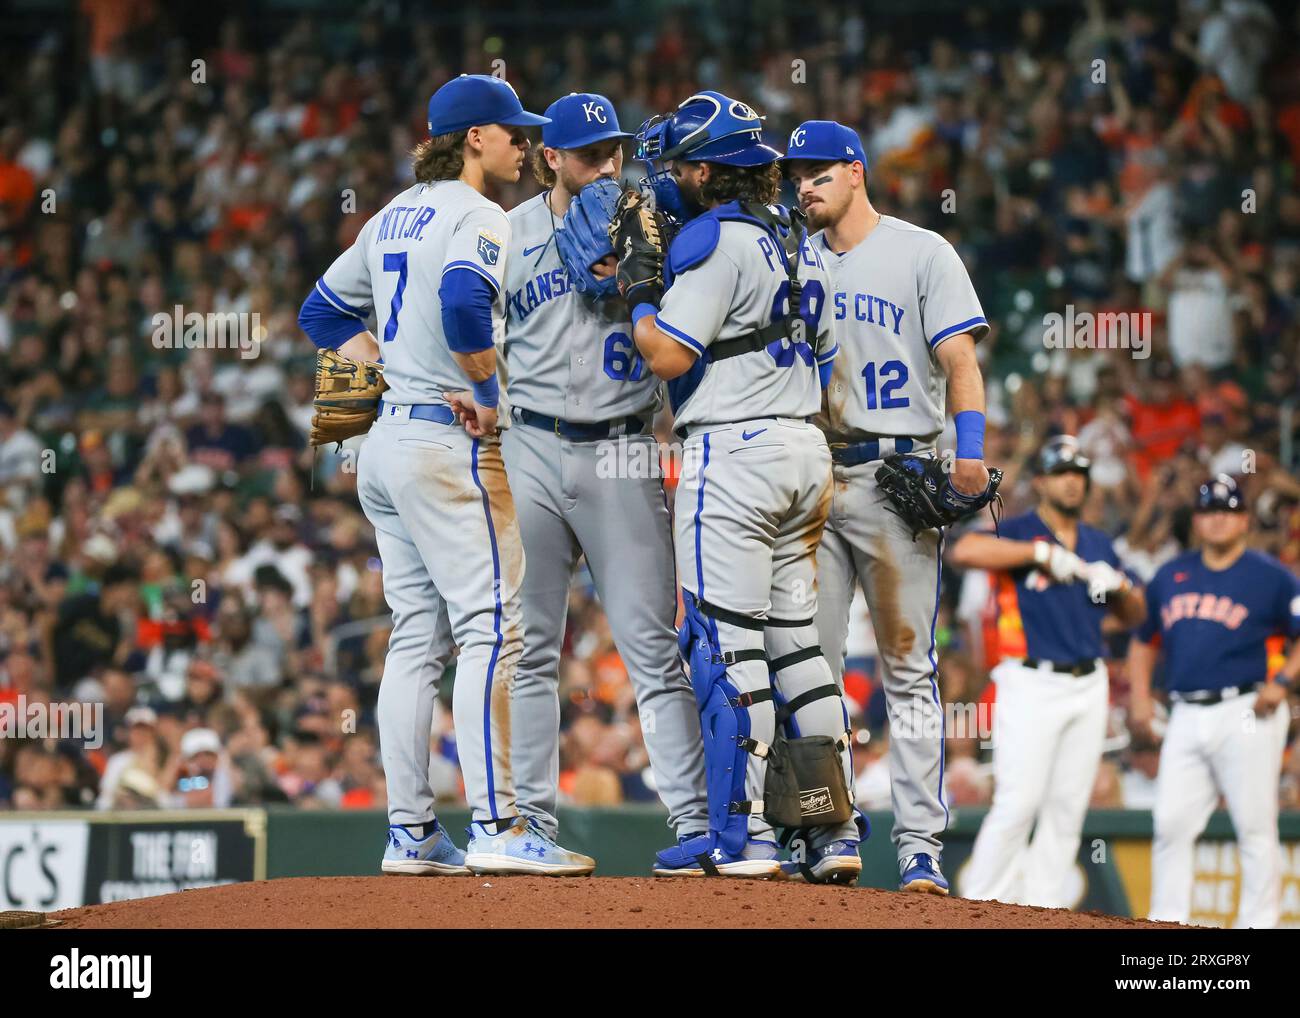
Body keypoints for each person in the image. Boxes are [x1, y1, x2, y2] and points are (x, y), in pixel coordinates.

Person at [297, 74, 593, 876]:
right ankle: (498, 827)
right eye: (512, 132)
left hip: (387, 447)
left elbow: (320, 314)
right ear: (473, 139)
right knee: (492, 630)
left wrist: (389, 378)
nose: (525, 145)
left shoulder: (391, 212)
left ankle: (411, 835)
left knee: (414, 643)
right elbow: (466, 305)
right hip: (448, 448)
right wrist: (489, 394)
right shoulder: (479, 213)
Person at [619, 92, 861, 882]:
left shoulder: (713, 238)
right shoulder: (799, 235)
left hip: (735, 452)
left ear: (708, 170)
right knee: (801, 650)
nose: (672, 175)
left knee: (726, 649)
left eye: (684, 162)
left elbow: (666, 356)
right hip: (803, 448)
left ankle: (744, 833)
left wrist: (637, 289)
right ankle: (833, 831)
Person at [783, 120, 992, 894]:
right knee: (813, 669)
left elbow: (960, 361)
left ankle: (920, 846)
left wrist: (968, 450)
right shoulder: (788, 255)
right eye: (794, 175)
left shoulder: (921, 251)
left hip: (894, 476)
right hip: (807, 477)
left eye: (816, 172)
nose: (803, 185)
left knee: (908, 669)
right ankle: (830, 830)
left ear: (854, 169)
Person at [500, 92, 709, 854]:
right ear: (549, 158)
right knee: (528, 646)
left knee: (652, 645)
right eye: (591, 155)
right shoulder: (506, 232)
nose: (609, 167)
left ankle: (694, 820)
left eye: (616, 151)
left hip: (623, 443)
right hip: (527, 442)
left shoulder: (655, 222)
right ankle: (528, 822)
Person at [949, 436, 1144, 907]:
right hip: (1029, 678)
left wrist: (1118, 586)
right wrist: (1038, 554)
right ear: (1041, 481)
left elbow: (1135, 617)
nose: (1071, 483)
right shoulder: (1020, 528)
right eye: (1061, 473)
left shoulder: (1100, 543)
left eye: (1078, 474)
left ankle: (1042, 909)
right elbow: (966, 551)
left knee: (1067, 807)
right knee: (1018, 801)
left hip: (1088, 680)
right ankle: (978, 904)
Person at [1128, 475, 1296, 928]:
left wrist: (1282, 680)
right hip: (1184, 711)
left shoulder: (1271, 576)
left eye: (1227, 510)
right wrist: (1140, 697)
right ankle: (1167, 920)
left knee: (1255, 827)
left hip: (1247, 709)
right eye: (1208, 512)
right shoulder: (1170, 575)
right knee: (1170, 823)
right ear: (1198, 521)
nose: (1218, 519)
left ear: (1244, 520)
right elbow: (1143, 641)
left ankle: (1259, 925)